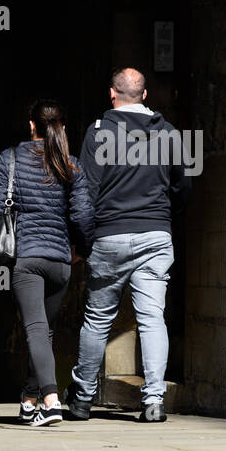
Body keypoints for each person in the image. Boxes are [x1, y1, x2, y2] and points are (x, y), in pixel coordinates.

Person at [66, 67, 193, 424]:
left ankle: (82, 399)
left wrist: (81, 239)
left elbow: (86, 191)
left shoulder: (98, 133)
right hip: (155, 234)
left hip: (110, 235)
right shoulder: (167, 133)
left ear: (112, 94)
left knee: (96, 320)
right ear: (145, 95)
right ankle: (153, 400)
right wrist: (166, 213)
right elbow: (183, 186)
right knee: (153, 318)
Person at [0, 99, 94, 428]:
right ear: (63, 128)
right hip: (60, 263)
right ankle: (29, 401)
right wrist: (81, 250)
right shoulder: (71, 165)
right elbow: (83, 215)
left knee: (36, 330)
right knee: (41, 332)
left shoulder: (9, 159)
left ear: (31, 125)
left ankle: (52, 402)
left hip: (27, 260)